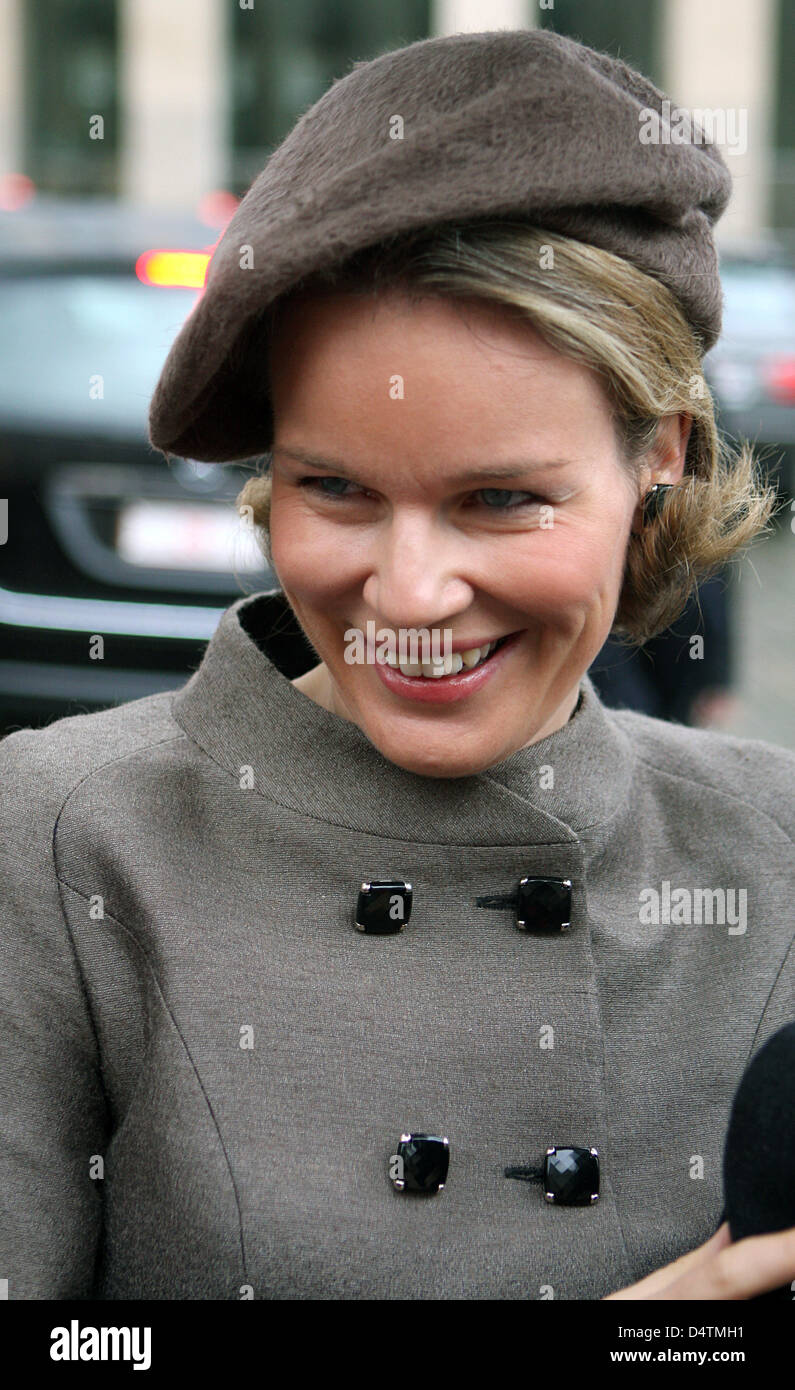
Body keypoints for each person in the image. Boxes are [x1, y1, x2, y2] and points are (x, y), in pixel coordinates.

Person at [1, 28, 793, 1301]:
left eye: (498, 499)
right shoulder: (60, 842)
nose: (409, 595)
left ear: (665, 457)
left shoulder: (777, 847)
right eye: (337, 489)